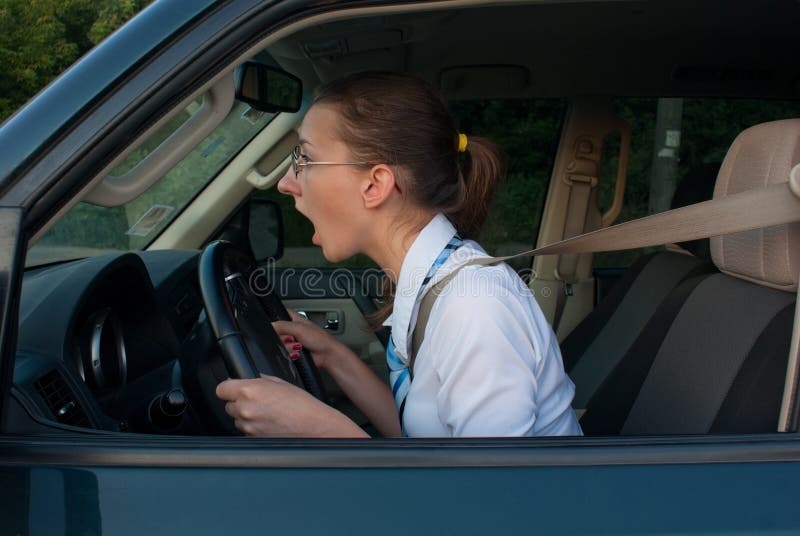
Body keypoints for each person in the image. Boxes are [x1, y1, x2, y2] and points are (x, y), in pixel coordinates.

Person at [215, 71, 581, 438]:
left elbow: (486, 491)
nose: (286, 183)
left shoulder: (474, 308)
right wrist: (334, 356)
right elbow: (425, 440)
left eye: (306, 158)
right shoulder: (434, 285)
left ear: (375, 185)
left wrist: (320, 430)